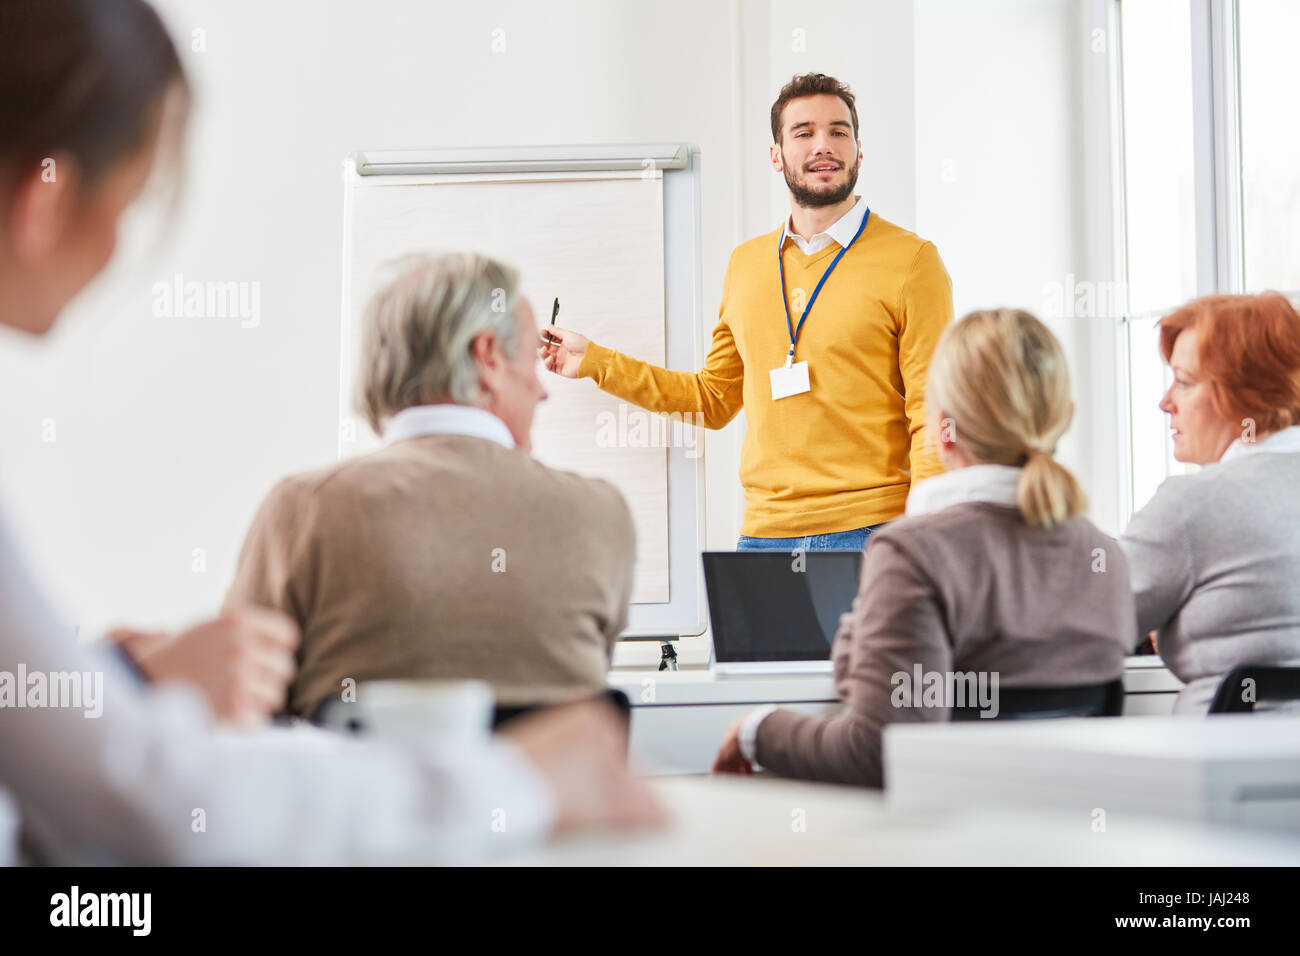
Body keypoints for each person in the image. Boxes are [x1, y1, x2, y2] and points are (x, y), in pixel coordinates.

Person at [0, 0, 661, 864]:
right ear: (46, 200)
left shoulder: (303, 506)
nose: (125, 239)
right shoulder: (605, 514)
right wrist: (517, 780)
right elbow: (148, 794)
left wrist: (120, 685)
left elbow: (222, 727)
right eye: (130, 199)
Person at [712, 309, 1134, 786]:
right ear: (1064, 418)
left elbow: (877, 752)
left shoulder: (915, 552)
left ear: (942, 430)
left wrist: (757, 730)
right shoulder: (1107, 558)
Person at [539, 73, 954, 551]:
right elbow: (713, 399)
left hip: (874, 532)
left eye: (839, 131)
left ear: (860, 150)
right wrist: (594, 361)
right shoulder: (746, 264)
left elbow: (934, 412)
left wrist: (927, 538)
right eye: (804, 133)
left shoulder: (912, 261)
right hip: (764, 537)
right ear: (776, 155)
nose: (824, 145)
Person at [225, 253, 637, 721]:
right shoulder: (600, 514)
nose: (542, 392)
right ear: (487, 357)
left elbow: (238, 714)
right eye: (530, 361)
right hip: (548, 794)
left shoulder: (304, 510)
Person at [1119, 292, 1300, 713]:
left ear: (1243, 394)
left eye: (1183, 381)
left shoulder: (1191, 504)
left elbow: (1079, 626)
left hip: (1221, 769)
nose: (1166, 403)